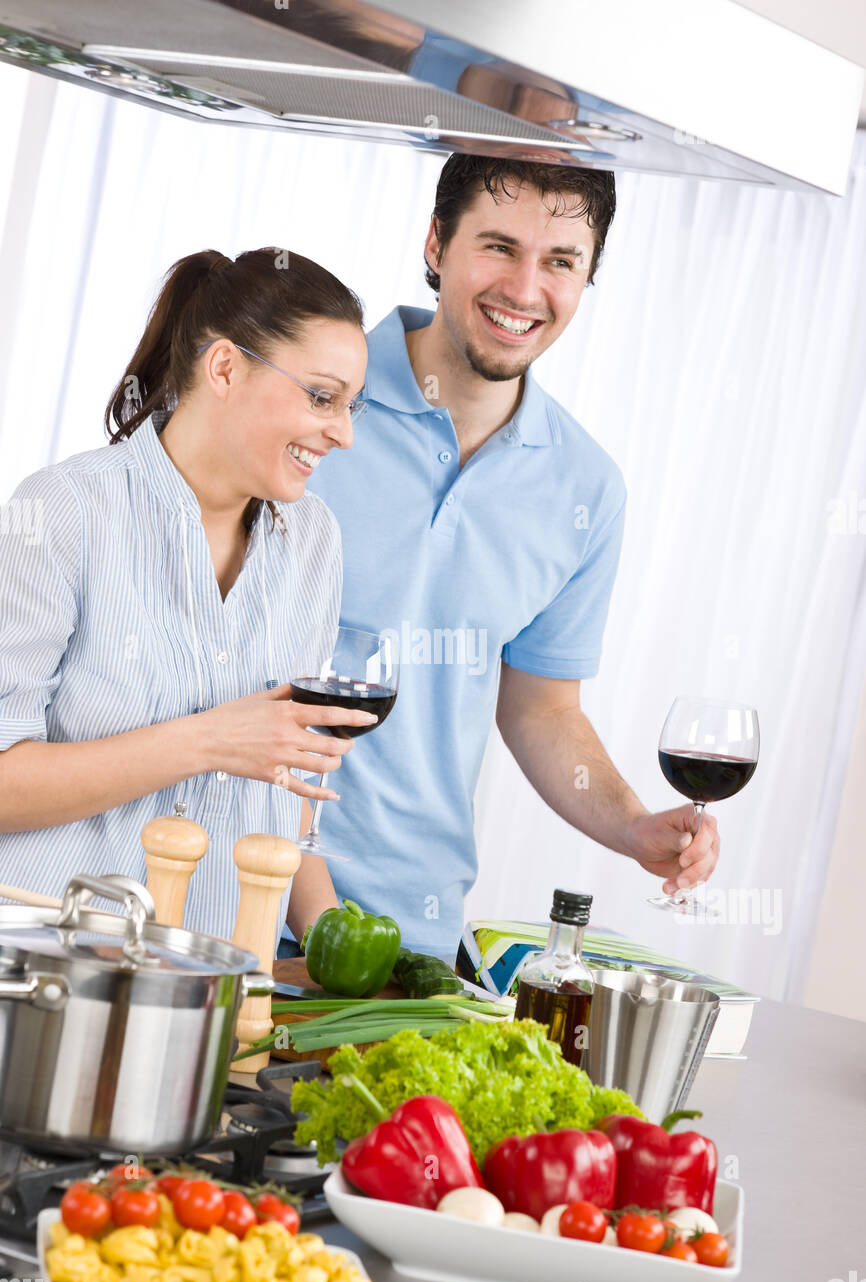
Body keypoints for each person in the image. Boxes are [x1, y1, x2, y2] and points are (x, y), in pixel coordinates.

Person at [306, 155, 721, 959]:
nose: (526, 290)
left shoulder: (585, 486)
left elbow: (542, 709)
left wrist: (634, 826)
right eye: (498, 247)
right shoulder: (316, 396)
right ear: (436, 244)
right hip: (235, 899)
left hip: (410, 939)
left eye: (560, 261)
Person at [0, 246, 374, 945]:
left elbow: (280, 792)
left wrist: (335, 944)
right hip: (49, 965)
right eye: (322, 397)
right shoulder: (65, 510)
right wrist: (205, 740)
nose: (344, 433)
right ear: (225, 367)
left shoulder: (315, 540)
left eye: (352, 405)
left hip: (218, 980)